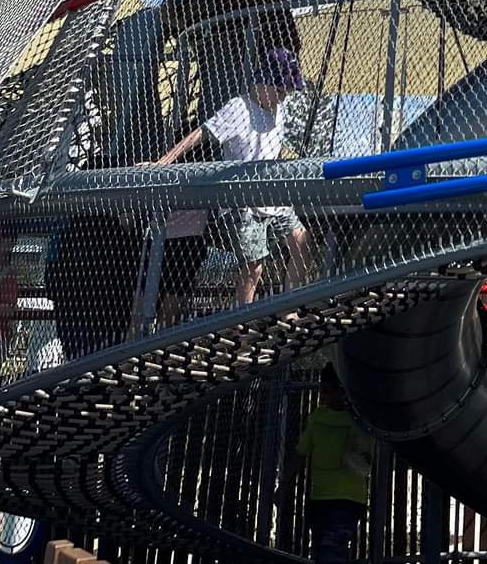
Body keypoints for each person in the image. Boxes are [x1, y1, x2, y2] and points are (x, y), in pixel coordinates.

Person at [157, 45, 310, 306]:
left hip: (271, 193)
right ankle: (243, 321)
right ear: (264, 82)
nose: (283, 98)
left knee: (300, 241)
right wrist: (165, 160)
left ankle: (289, 307)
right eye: (281, 90)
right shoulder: (238, 108)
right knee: (254, 267)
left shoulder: (278, 111)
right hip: (242, 201)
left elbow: (270, 145)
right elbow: (201, 133)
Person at [297, 365, 372, 563]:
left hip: (348, 498)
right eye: (322, 391)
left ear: (342, 390)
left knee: (332, 549)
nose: (324, 397)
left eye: (329, 392)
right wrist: (284, 484)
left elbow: (367, 459)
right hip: (320, 497)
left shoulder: (359, 420)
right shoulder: (318, 417)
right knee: (323, 550)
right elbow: (301, 453)